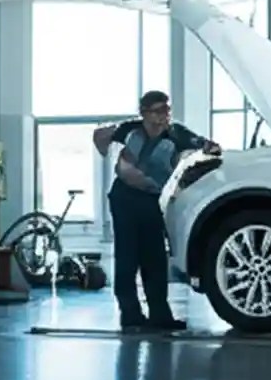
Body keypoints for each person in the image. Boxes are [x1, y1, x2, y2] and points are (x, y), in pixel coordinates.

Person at [93, 91, 220, 331]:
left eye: (166, 111)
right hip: (125, 199)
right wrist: (115, 149)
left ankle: (160, 314)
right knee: (127, 257)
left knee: (155, 258)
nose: (163, 116)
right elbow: (99, 138)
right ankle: (130, 314)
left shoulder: (177, 134)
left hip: (153, 200)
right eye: (158, 111)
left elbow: (209, 146)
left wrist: (201, 154)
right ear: (144, 112)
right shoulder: (130, 130)